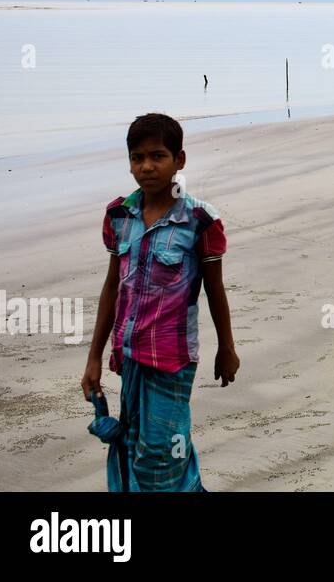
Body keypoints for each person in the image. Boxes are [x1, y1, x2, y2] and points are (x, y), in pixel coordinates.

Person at [80, 112, 239, 491]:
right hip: (131, 354)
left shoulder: (199, 220)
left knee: (162, 453)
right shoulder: (119, 215)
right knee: (134, 445)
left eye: (157, 156)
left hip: (173, 359)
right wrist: (93, 357)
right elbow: (112, 288)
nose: (147, 166)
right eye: (138, 158)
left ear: (179, 160)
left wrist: (227, 348)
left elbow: (215, 291)